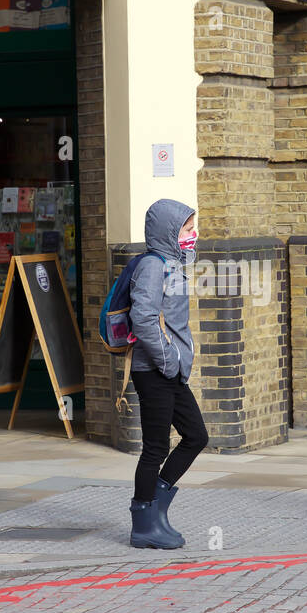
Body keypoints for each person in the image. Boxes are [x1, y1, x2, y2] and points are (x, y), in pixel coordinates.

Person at [125, 198, 208, 548]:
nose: (194, 235)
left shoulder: (174, 264)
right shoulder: (153, 266)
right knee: (155, 448)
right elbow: (142, 318)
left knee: (196, 436)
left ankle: (157, 511)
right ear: (170, 231)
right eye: (188, 229)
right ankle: (144, 524)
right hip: (154, 370)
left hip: (168, 371)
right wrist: (169, 360)